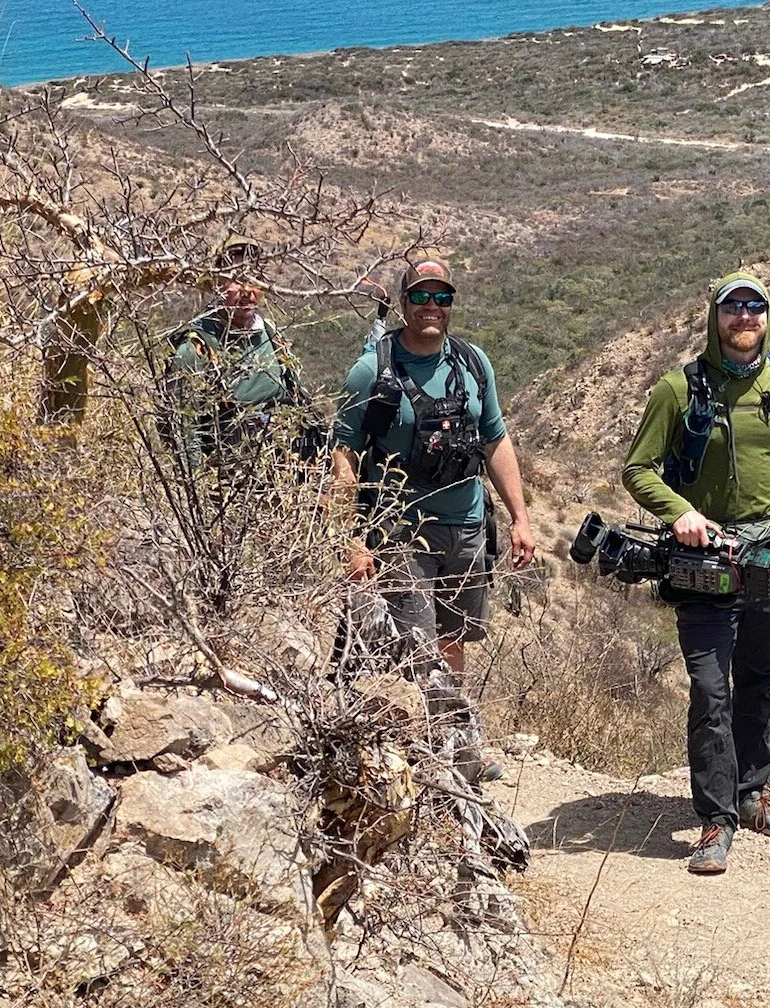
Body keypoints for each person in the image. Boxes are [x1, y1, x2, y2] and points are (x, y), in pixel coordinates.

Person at [621, 273, 770, 877]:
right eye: (732, 308)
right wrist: (681, 513)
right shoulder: (678, 390)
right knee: (710, 689)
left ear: (768, 317)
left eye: (755, 308)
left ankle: (751, 794)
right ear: (714, 318)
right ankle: (715, 820)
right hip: (705, 568)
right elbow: (639, 471)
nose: (744, 318)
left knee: (759, 678)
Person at [331, 256, 537, 727]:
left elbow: (496, 439)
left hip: (467, 526)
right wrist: (351, 538)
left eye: (441, 297)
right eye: (420, 296)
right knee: (414, 643)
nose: (431, 306)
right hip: (403, 529)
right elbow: (344, 456)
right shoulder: (371, 371)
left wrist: (519, 518)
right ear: (404, 303)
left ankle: (445, 738)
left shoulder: (472, 363)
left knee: (452, 640)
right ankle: (425, 747)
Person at [161, 236, 318, 468]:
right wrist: (199, 489)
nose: (247, 290)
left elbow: (299, 401)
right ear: (217, 283)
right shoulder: (196, 349)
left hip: (282, 476)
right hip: (226, 486)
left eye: (253, 278)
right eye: (236, 279)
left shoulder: (272, 335)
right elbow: (182, 430)